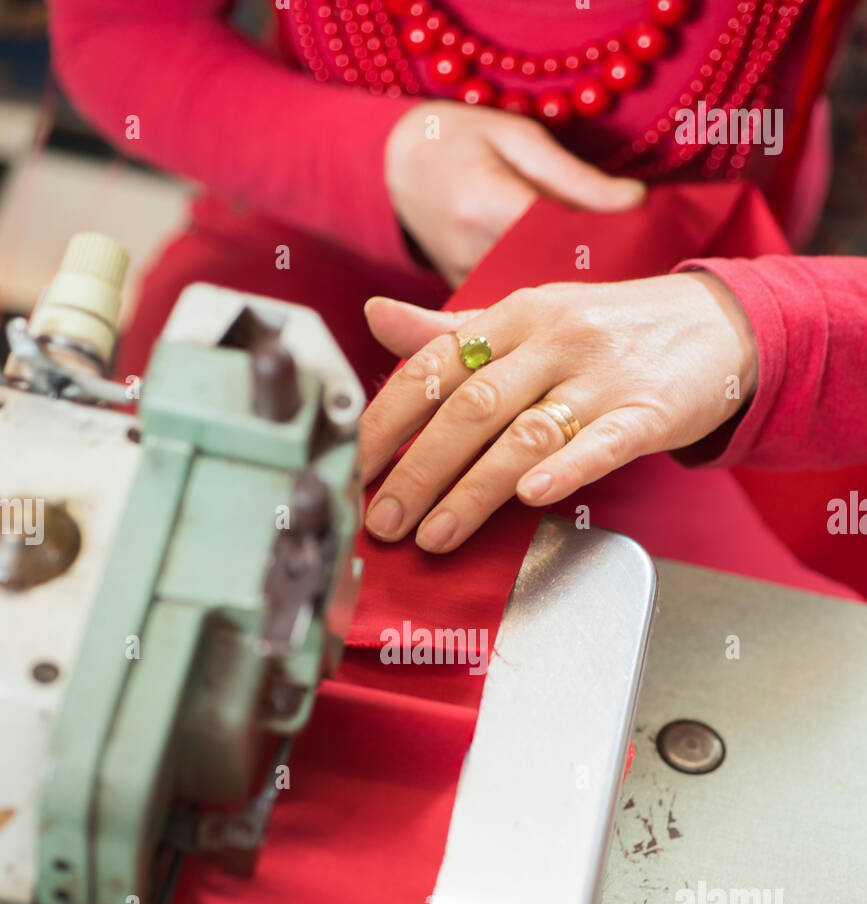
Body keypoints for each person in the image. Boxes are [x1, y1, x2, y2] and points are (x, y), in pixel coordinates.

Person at [48, 0, 866, 591]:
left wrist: (758, 328)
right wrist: (380, 161)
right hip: (312, 233)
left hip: (692, 341)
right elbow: (116, 27)